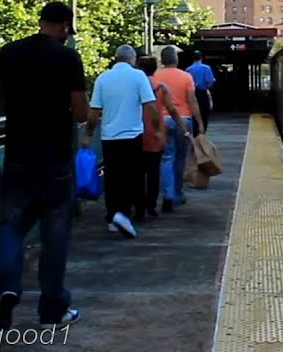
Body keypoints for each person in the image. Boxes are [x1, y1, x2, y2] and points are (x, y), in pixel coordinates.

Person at [0, 1, 88, 330]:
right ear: (65, 27)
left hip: (16, 161)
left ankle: (8, 290)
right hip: (56, 164)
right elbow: (81, 113)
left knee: (11, 228)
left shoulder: (9, 53)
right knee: (54, 240)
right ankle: (51, 309)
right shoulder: (68, 57)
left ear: (41, 22)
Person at [85, 44, 156, 239]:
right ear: (132, 59)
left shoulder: (103, 78)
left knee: (112, 177)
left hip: (109, 136)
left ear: (116, 58)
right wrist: (157, 129)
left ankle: (112, 215)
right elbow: (149, 105)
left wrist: (88, 133)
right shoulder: (139, 76)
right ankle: (124, 213)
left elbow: (94, 111)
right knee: (132, 176)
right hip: (132, 135)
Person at [153, 45, 203, 211]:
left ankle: (168, 194)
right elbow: (192, 101)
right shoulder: (186, 77)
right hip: (183, 120)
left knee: (167, 157)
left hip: (161, 120)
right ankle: (178, 193)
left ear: (162, 60)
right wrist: (199, 122)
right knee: (180, 158)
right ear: (176, 59)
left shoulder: (155, 76)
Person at [135, 56, 178, 221]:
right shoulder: (161, 87)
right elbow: (171, 109)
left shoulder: (135, 85)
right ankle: (151, 205)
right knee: (153, 173)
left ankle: (138, 207)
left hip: (137, 133)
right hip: (155, 134)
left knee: (138, 173)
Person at [187, 51, 216, 131]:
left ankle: (195, 132)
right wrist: (207, 87)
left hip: (192, 93)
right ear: (201, 58)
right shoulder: (206, 68)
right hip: (203, 92)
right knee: (204, 114)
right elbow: (210, 81)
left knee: (193, 113)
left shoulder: (188, 69)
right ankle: (202, 131)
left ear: (193, 58)